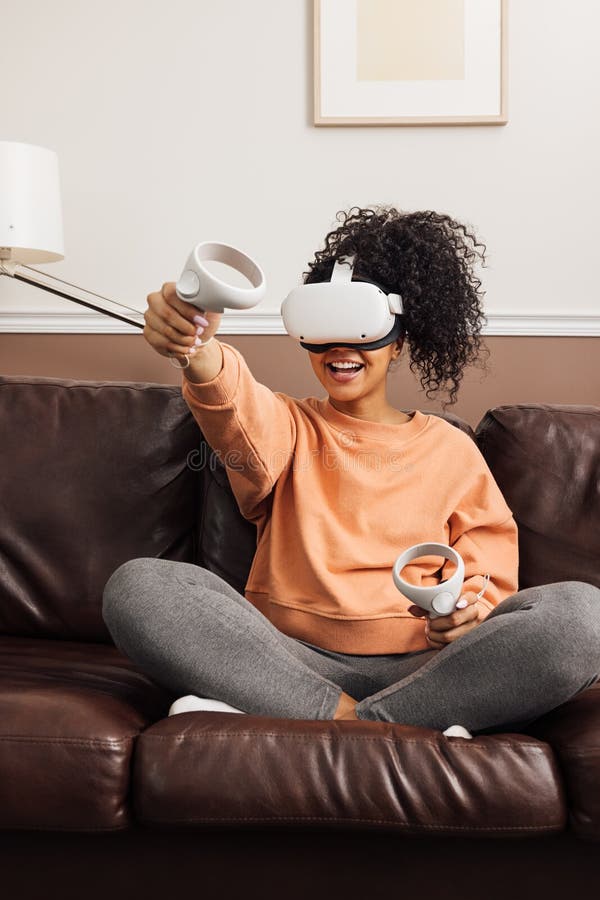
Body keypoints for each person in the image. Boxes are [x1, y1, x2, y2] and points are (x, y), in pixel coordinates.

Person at [102, 206, 600, 737]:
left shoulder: (453, 451)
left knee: (582, 616)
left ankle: (310, 716)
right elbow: (227, 398)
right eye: (324, 330)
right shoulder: (286, 428)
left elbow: (488, 589)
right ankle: (383, 726)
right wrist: (193, 344)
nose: (342, 347)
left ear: (401, 341)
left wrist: (466, 619)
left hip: (426, 671)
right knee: (138, 586)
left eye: (362, 328)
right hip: (285, 659)